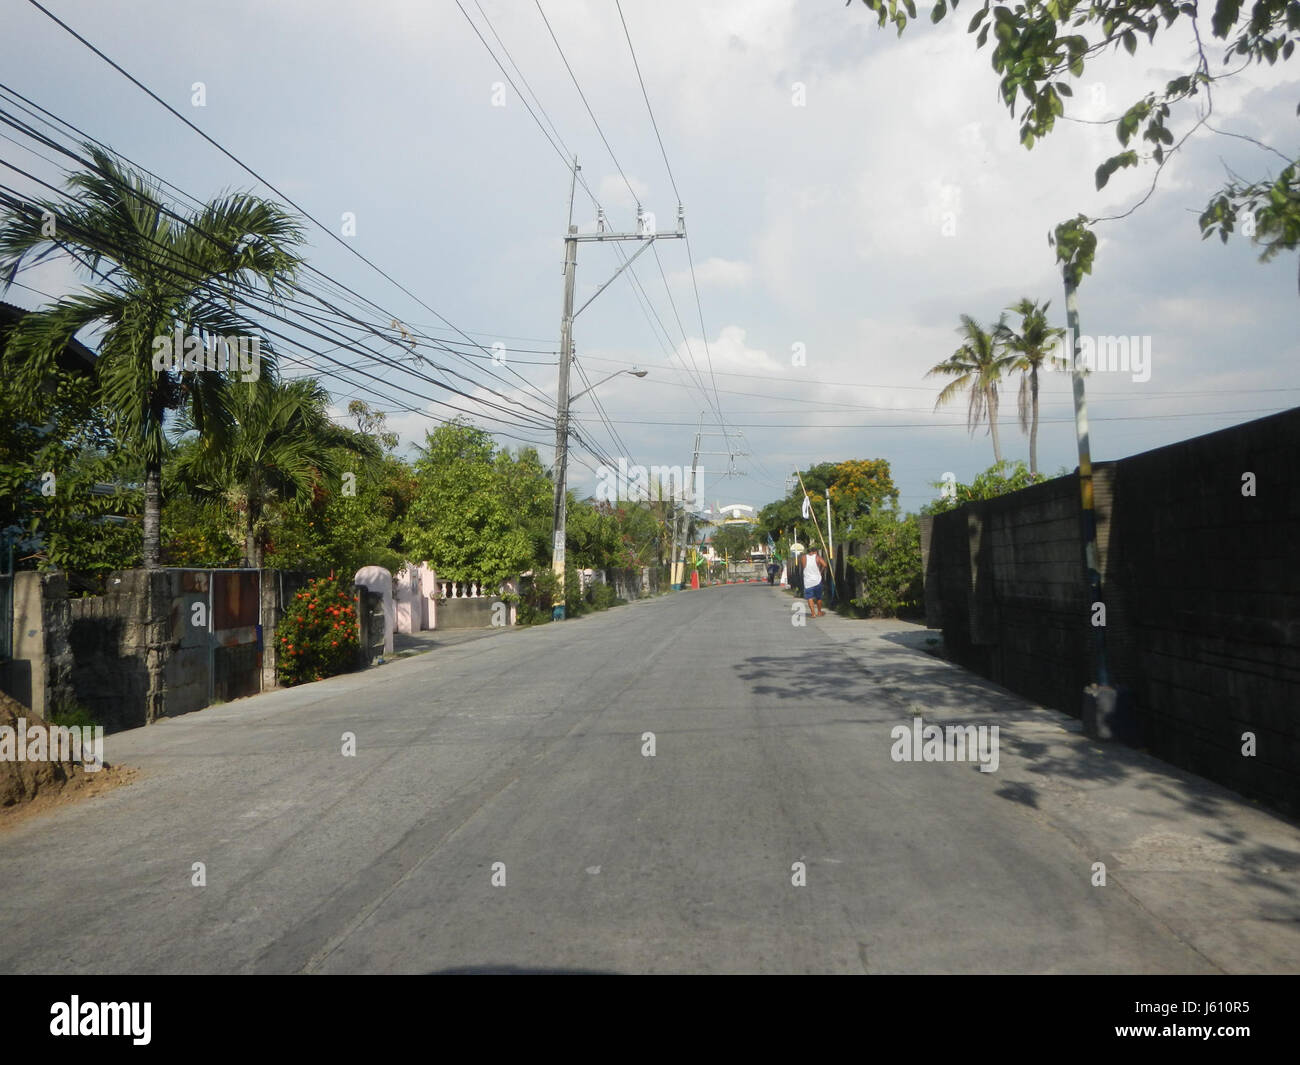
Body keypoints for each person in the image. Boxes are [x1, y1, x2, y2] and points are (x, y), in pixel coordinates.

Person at [800, 548, 829, 617]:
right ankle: (819, 612)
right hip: (817, 580)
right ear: (815, 552)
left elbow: (803, 567)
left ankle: (813, 613)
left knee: (810, 597)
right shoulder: (817, 557)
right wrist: (820, 571)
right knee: (818, 597)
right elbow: (825, 565)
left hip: (808, 581)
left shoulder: (803, 557)